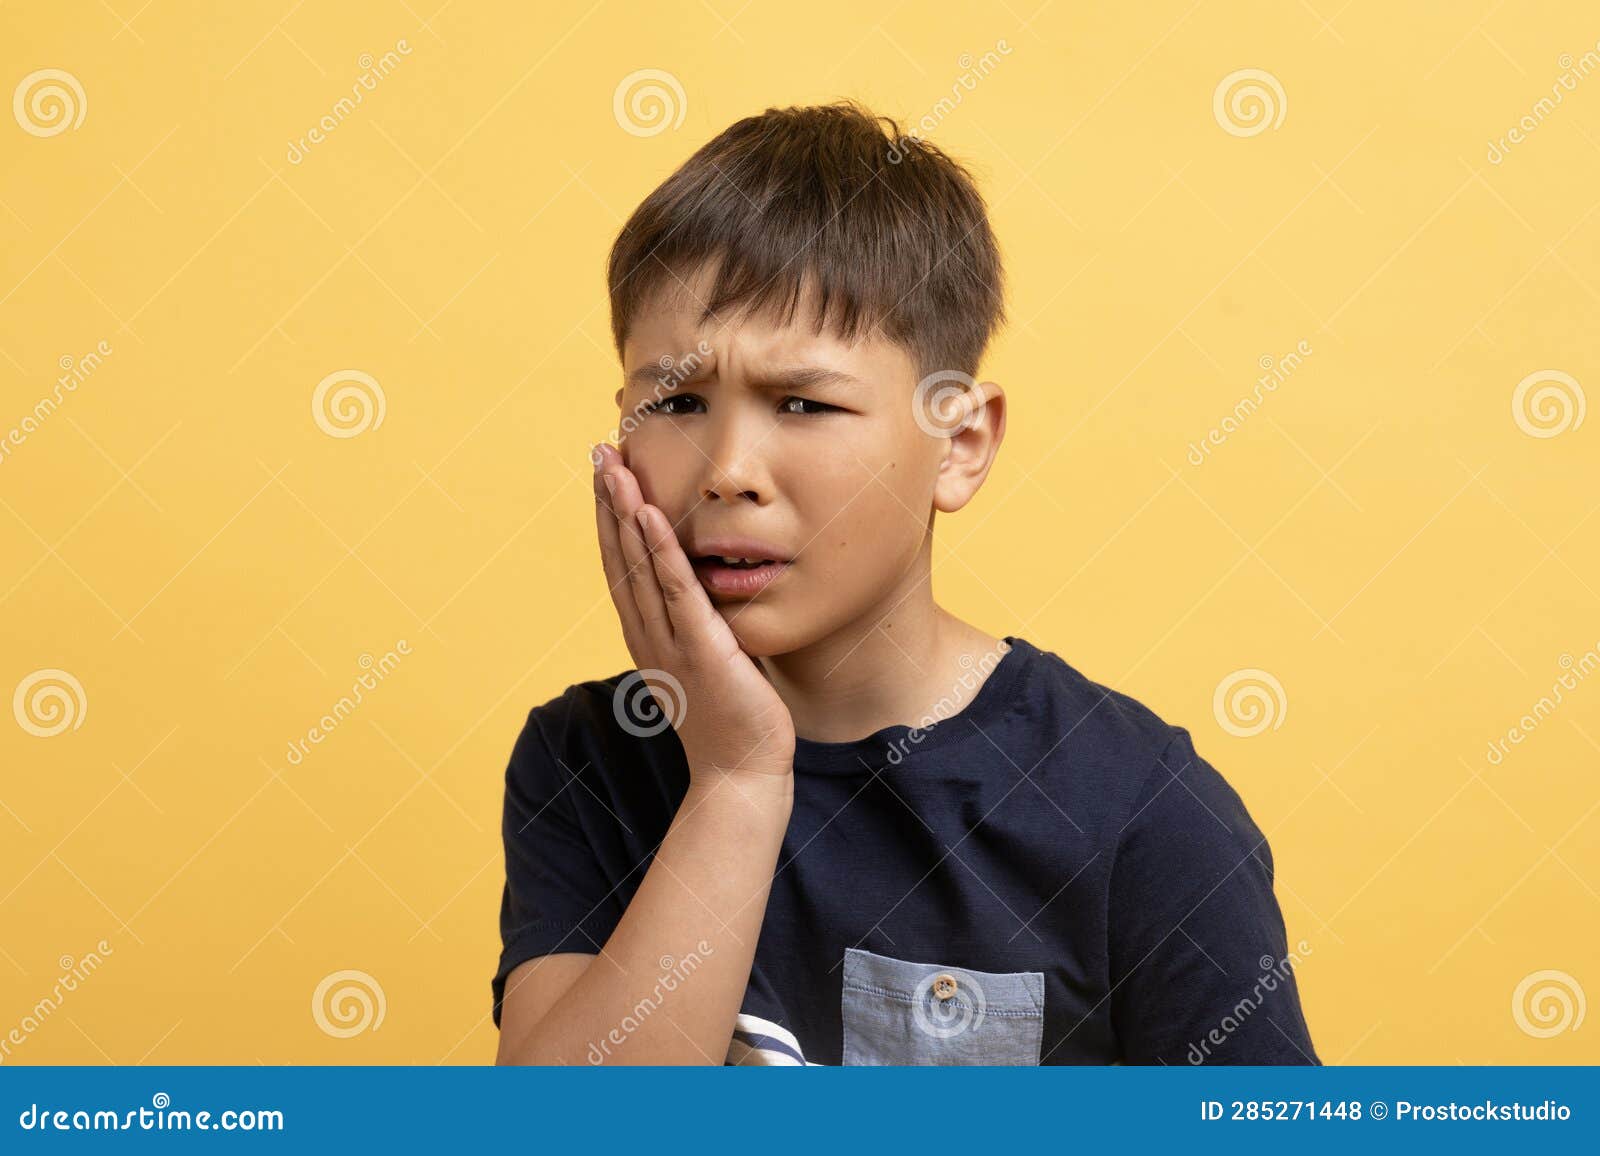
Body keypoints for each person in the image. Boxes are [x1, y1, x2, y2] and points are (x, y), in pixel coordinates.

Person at [491, 101, 1319, 1066]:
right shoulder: (590, 760)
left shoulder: (1136, 809)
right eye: (674, 401)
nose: (726, 470)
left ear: (958, 444)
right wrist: (735, 779)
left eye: (803, 402)